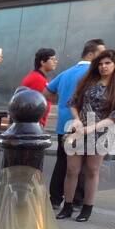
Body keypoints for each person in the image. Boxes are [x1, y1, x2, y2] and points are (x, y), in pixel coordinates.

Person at [60, 49, 115, 223]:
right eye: (100, 64)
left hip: (102, 132)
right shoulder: (88, 81)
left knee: (92, 170)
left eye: (107, 63)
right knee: (71, 170)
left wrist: (93, 128)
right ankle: (67, 206)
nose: (103, 67)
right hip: (79, 130)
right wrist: (76, 119)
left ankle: (87, 208)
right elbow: (73, 102)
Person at [46, 39, 106, 213]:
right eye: (101, 53)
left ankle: (55, 198)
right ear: (91, 54)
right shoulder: (94, 74)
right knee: (82, 167)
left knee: (62, 163)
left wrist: (61, 103)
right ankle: (77, 200)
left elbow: (47, 92)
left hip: (64, 124)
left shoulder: (66, 73)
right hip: (85, 125)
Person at [20, 48, 58, 127]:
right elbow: (36, 104)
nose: (56, 61)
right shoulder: (37, 79)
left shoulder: (39, 77)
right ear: (42, 62)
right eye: (52, 59)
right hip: (34, 124)